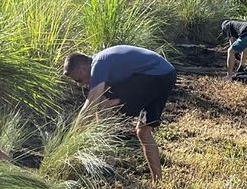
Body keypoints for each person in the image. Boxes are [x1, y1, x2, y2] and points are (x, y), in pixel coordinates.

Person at [63, 45, 176, 181]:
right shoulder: (104, 63)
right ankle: (157, 181)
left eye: (78, 80)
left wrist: (72, 138)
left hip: (154, 76)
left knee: (103, 106)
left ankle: (108, 165)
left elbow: (91, 104)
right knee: (143, 131)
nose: (81, 85)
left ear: (83, 68)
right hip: (167, 74)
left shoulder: (98, 64)